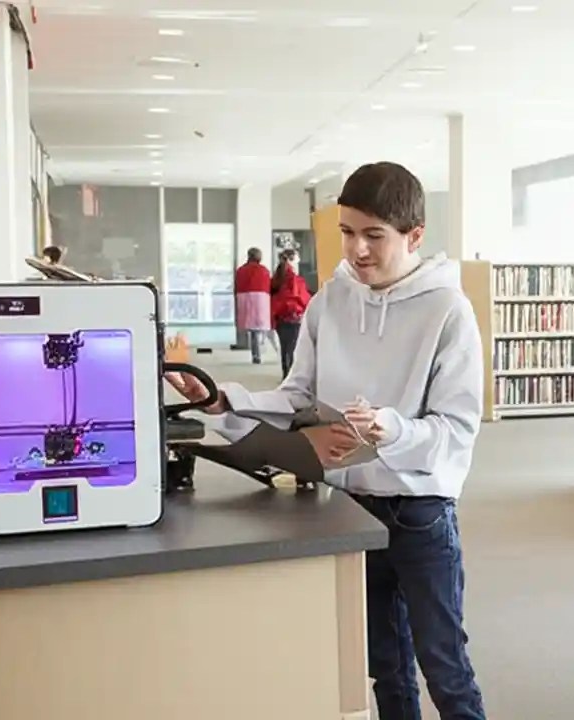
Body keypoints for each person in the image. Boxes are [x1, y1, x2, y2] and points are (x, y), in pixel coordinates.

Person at [166, 161, 487, 720]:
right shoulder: (327, 302)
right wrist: (222, 400)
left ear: (414, 236)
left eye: (374, 235)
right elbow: (296, 399)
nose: (356, 249)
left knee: (445, 666)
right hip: (349, 507)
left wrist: (390, 428)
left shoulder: (449, 312)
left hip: (422, 513)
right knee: (384, 665)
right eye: (346, 232)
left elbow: (457, 429)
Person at [270, 249, 312, 379]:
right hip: (294, 318)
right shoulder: (295, 279)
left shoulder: (277, 278)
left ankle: (285, 374)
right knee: (294, 349)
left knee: (285, 348)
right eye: (297, 258)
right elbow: (302, 298)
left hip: (280, 318)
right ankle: (291, 377)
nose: (299, 261)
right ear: (291, 260)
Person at [234, 248, 272, 365]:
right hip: (261, 299)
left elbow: (236, 286)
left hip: (244, 298)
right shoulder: (264, 270)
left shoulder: (241, 270)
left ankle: (255, 353)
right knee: (261, 328)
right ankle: (261, 351)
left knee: (251, 329)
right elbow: (269, 286)